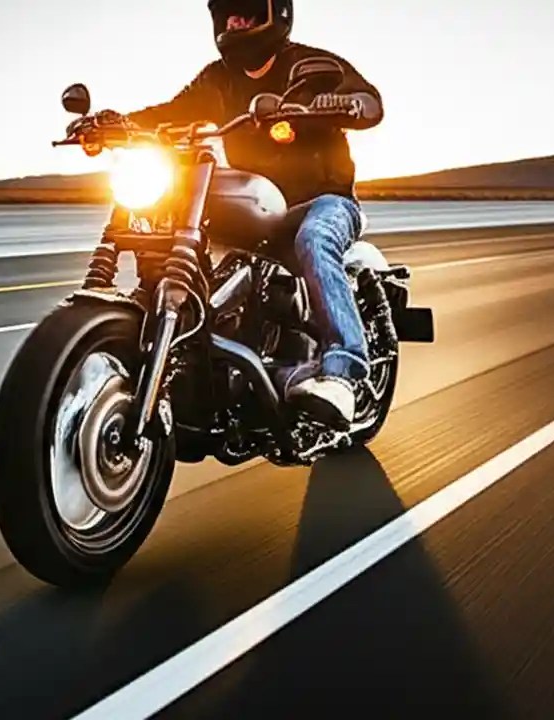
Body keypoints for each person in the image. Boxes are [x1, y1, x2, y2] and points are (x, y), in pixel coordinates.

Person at [96, 0, 384, 430]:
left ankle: (342, 374)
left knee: (315, 238)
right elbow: (173, 111)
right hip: (258, 201)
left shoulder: (307, 64)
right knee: (174, 223)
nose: (234, 21)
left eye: (246, 12)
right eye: (228, 13)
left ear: (276, 13)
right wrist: (118, 123)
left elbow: (370, 102)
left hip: (323, 201)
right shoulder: (217, 78)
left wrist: (339, 103)